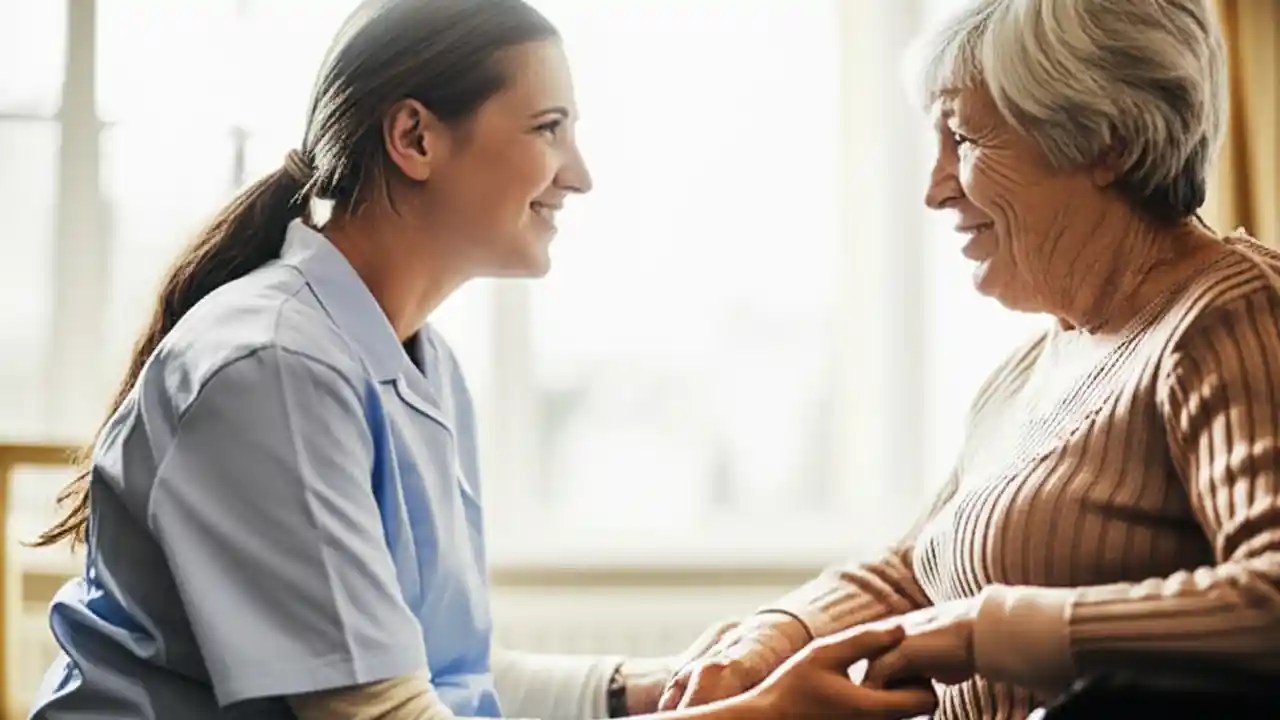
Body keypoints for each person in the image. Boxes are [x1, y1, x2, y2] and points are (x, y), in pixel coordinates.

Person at [27, 1, 942, 719]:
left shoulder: (417, 362)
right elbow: (384, 712)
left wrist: (671, 684)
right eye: (549, 127)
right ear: (416, 137)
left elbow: (428, 671)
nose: (578, 173)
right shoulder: (272, 367)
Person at [660, 0, 1280, 718]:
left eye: (963, 139)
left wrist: (990, 631)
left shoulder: (1231, 317)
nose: (935, 187)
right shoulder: (1040, 361)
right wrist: (771, 636)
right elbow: (918, 570)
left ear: (1106, 142)